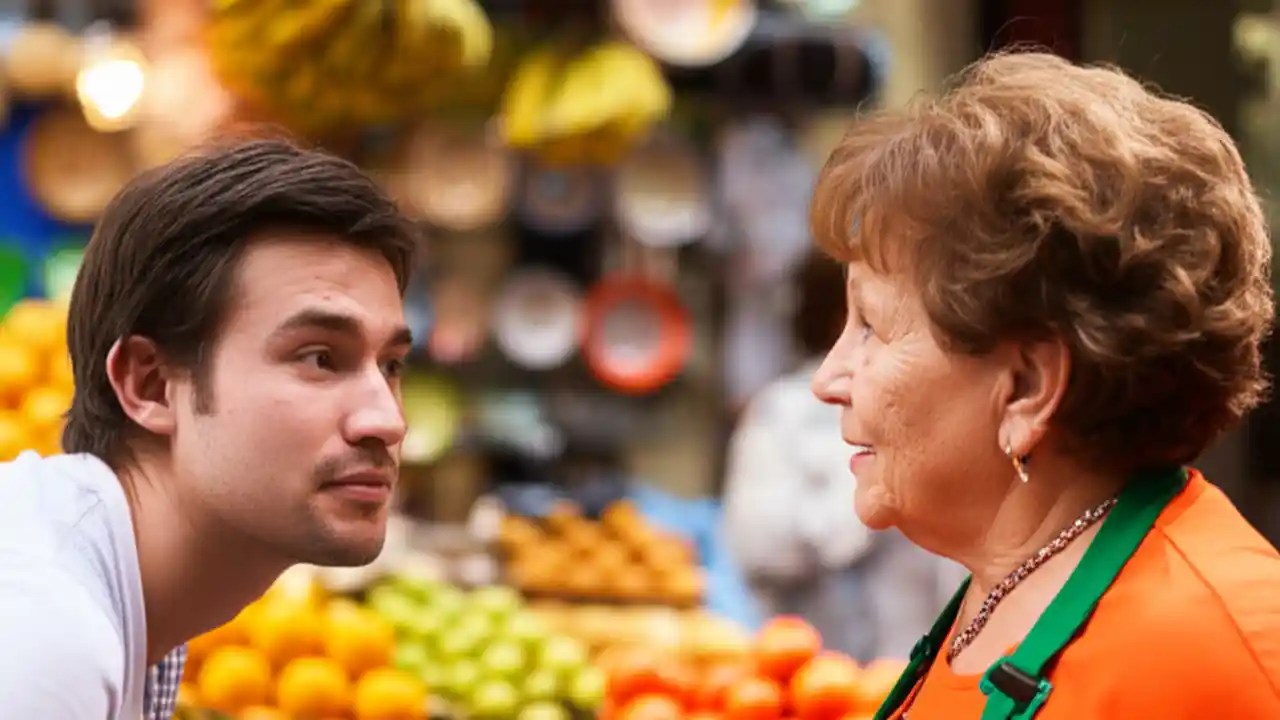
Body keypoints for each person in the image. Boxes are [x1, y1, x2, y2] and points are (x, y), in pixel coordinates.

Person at [808, 51, 1280, 719]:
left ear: (1027, 388)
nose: (828, 379)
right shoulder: (1008, 587)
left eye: (872, 329)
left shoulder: (1209, 648)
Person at [0, 138, 418, 719]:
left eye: (391, 366)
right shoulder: (40, 637)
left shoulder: (130, 611)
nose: (388, 420)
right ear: (149, 386)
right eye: (320, 357)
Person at [723, 251, 963, 661]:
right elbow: (757, 549)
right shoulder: (785, 411)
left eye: (873, 324)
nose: (828, 377)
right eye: (859, 321)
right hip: (816, 680)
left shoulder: (952, 413)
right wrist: (851, 507)